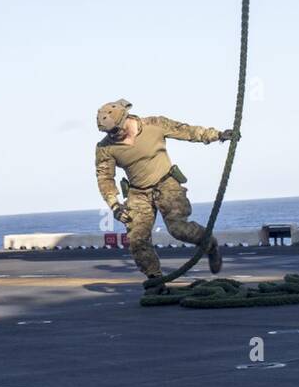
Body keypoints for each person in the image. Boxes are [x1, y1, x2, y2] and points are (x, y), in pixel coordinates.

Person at [95, 99, 234, 283]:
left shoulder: (154, 125)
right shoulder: (105, 148)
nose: (113, 135)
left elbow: (186, 131)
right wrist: (115, 206)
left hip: (166, 183)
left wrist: (218, 135)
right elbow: (105, 178)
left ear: (125, 119)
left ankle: (210, 244)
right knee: (137, 238)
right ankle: (155, 278)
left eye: (115, 130)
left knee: (178, 229)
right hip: (138, 193)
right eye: (109, 133)